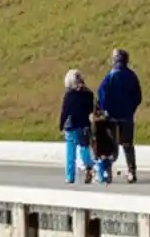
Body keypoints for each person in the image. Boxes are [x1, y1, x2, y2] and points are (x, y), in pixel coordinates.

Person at [98, 48, 143, 183]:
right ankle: (131, 171)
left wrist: (105, 110)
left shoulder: (111, 76)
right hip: (127, 117)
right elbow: (138, 96)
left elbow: (102, 93)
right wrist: (131, 108)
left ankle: (107, 172)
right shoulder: (132, 76)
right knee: (128, 144)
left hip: (112, 118)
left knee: (111, 145)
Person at [58, 69, 95, 184]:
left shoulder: (69, 96)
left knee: (70, 153)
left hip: (71, 126)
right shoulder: (89, 94)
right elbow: (91, 109)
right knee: (84, 147)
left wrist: (61, 125)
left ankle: (70, 176)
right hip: (84, 126)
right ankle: (88, 165)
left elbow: (65, 112)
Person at [89, 106, 120, 184]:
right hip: (109, 146)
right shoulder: (111, 123)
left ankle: (102, 176)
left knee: (101, 160)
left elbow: (93, 138)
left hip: (100, 148)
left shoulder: (96, 125)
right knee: (106, 160)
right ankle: (105, 175)